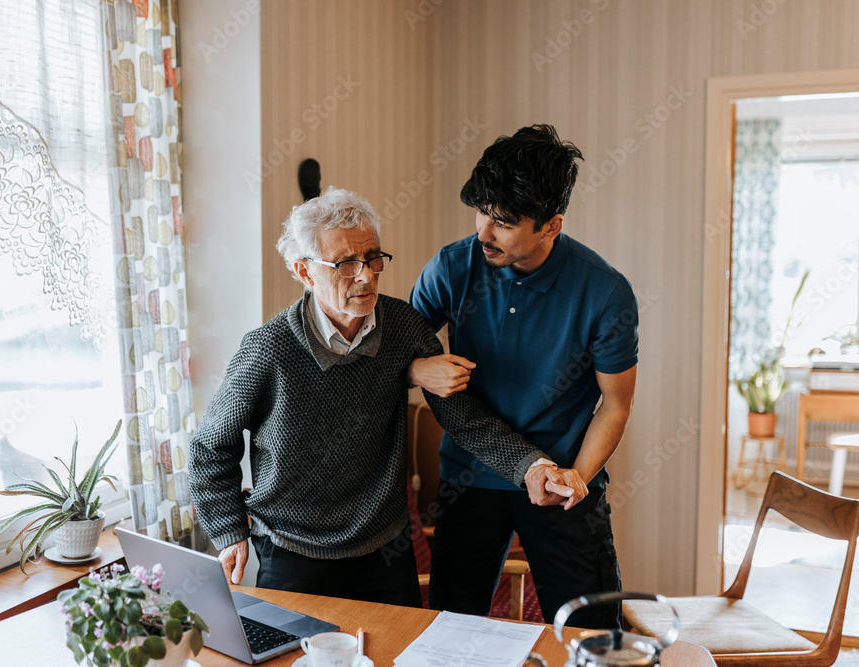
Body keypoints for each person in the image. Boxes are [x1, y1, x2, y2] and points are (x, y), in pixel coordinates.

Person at [189, 187, 546, 607]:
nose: (366, 274)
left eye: (373, 257)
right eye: (345, 263)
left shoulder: (403, 328)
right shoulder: (268, 351)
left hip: (383, 550)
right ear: (305, 271)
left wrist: (531, 466)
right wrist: (229, 530)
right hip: (292, 550)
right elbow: (211, 446)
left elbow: (464, 417)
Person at [408, 125, 638, 628]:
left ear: (551, 225)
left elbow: (615, 405)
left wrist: (577, 475)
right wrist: (415, 366)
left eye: (505, 222)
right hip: (469, 478)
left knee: (592, 635)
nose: (483, 233)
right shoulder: (451, 267)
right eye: (482, 212)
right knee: (451, 631)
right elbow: (390, 353)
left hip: (563, 479)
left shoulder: (604, 293)